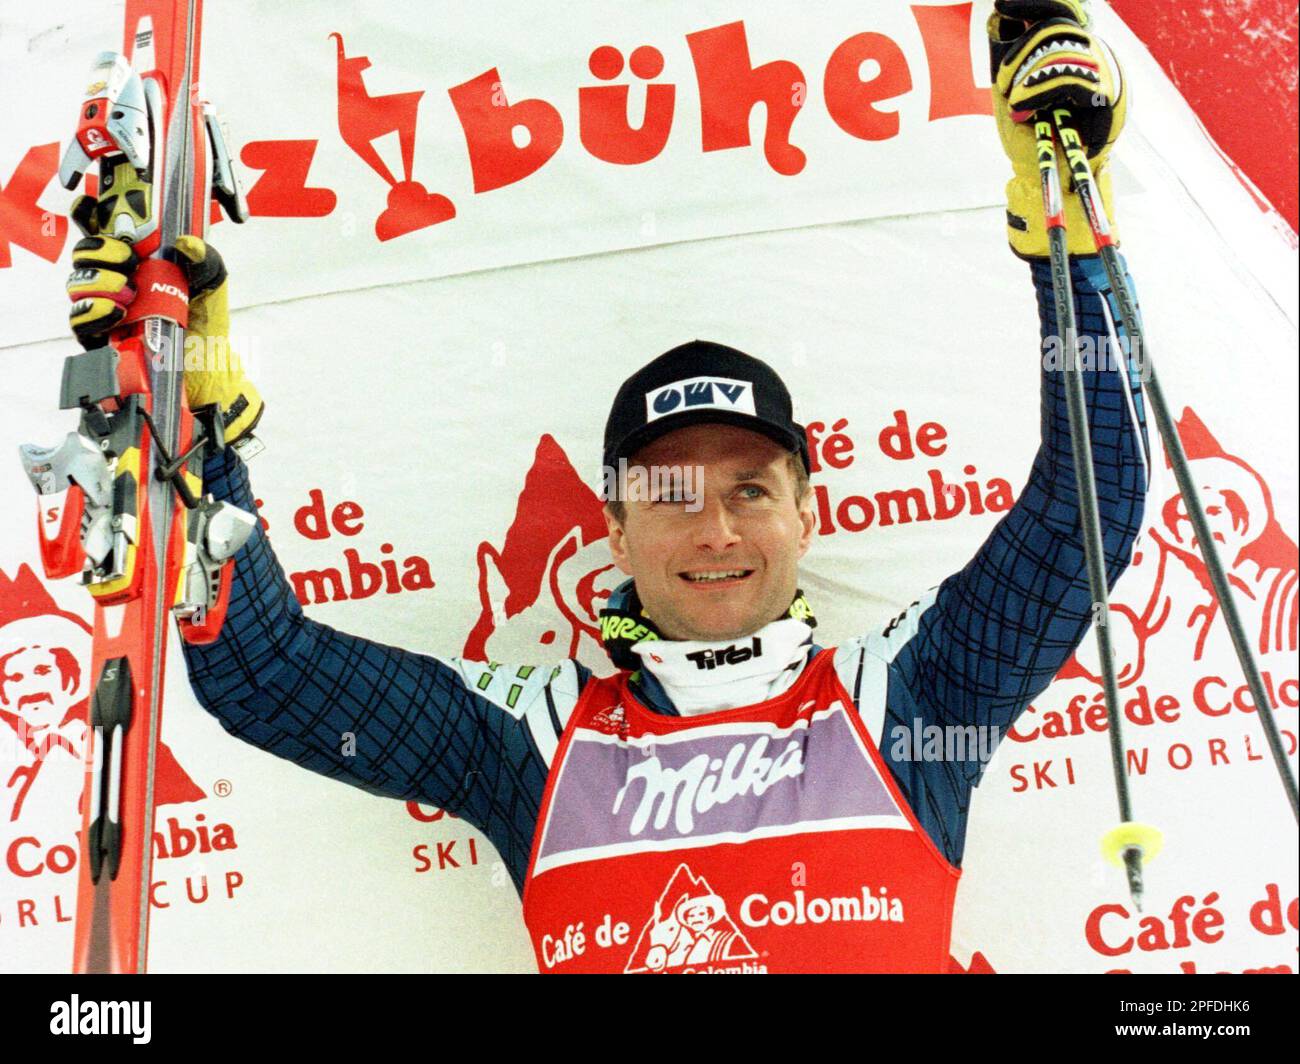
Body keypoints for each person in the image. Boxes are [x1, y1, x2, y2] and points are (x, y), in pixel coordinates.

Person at [63, 1, 1148, 973]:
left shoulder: (905, 701)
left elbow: (1085, 513)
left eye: (751, 489)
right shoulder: (529, 739)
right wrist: (196, 427)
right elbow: (271, 677)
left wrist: (1070, 242)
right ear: (615, 531)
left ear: (806, 512)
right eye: (670, 491)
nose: (714, 525)